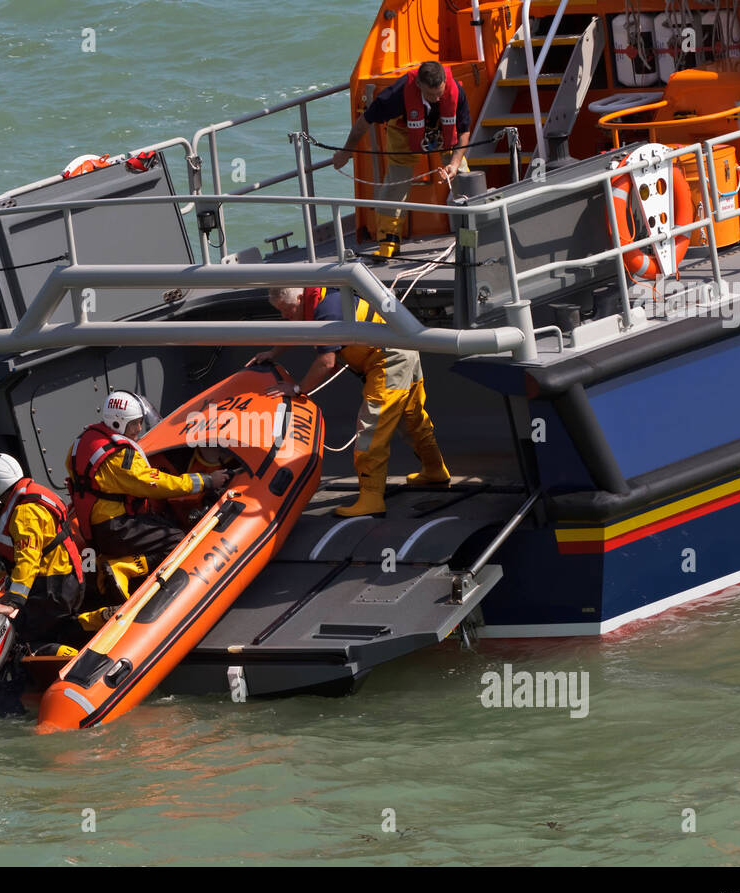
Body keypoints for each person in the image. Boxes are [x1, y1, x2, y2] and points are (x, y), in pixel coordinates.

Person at [248, 287, 450, 518]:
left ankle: (372, 497)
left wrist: (297, 389)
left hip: (388, 362)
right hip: (402, 352)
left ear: (301, 299)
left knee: (371, 429)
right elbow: (296, 327)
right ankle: (435, 471)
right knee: (412, 419)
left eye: (286, 310)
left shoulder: (326, 311)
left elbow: (327, 362)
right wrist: (273, 353)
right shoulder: (317, 301)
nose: (285, 316)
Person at [67, 391, 231, 598]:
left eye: (140, 422)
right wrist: (206, 481)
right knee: (176, 539)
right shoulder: (120, 457)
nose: (138, 428)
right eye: (134, 423)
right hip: (117, 527)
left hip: (93, 526)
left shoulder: (82, 442)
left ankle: (102, 568)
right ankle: (123, 568)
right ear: (117, 424)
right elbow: (155, 483)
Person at [332, 60, 472, 257]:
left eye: (439, 93)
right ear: (418, 85)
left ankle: (472, 232)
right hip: (405, 131)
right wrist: (345, 152)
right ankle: (389, 242)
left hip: (444, 131)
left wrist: (454, 164)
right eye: (430, 95)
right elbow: (364, 121)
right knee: (395, 183)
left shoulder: (455, 92)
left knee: (465, 177)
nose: (436, 99)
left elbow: (464, 131)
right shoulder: (395, 95)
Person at [0, 454, 110, 648]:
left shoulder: (24, 514)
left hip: (53, 588)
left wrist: (13, 602)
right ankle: (95, 620)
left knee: (23, 638)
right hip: (67, 580)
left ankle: (87, 628)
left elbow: (28, 559)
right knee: (53, 623)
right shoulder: (33, 493)